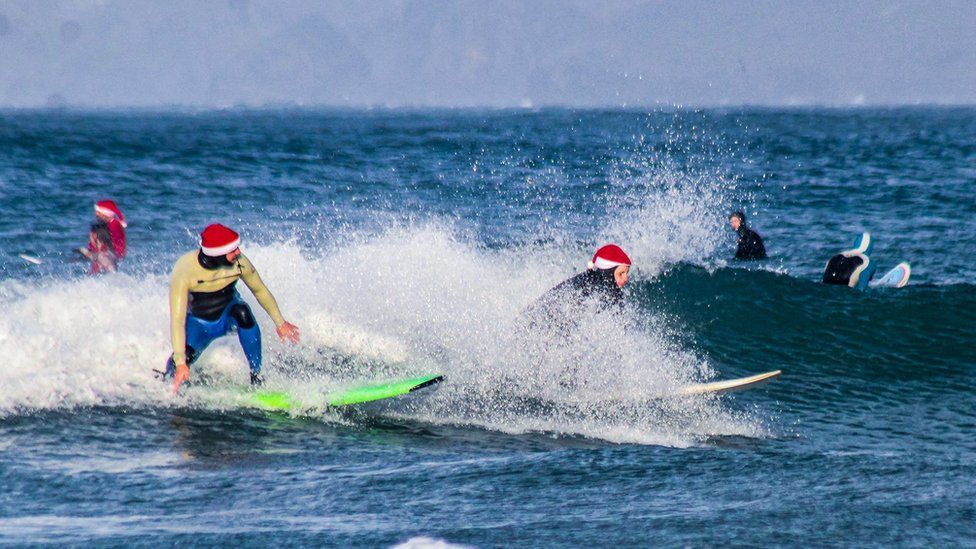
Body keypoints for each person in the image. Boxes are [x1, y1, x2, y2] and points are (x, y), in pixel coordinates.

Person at [165, 223, 300, 394]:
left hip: (229, 315)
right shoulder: (185, 269)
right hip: (199, 326)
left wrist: (280, 323)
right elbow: (177, 320)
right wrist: (181, 363)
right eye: (232, 250)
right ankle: (168, 383)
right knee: (181, 360)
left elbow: (260, 291)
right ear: (216, 255)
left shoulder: (239, 263)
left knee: (242, 312)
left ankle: (256, 377)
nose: (238, 252)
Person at [524, 244, 632, 336]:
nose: (626, 278)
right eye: (621, 273)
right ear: (609, 270)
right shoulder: (592, 285)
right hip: (536, 322)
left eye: (626, 273)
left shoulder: (607, 288)